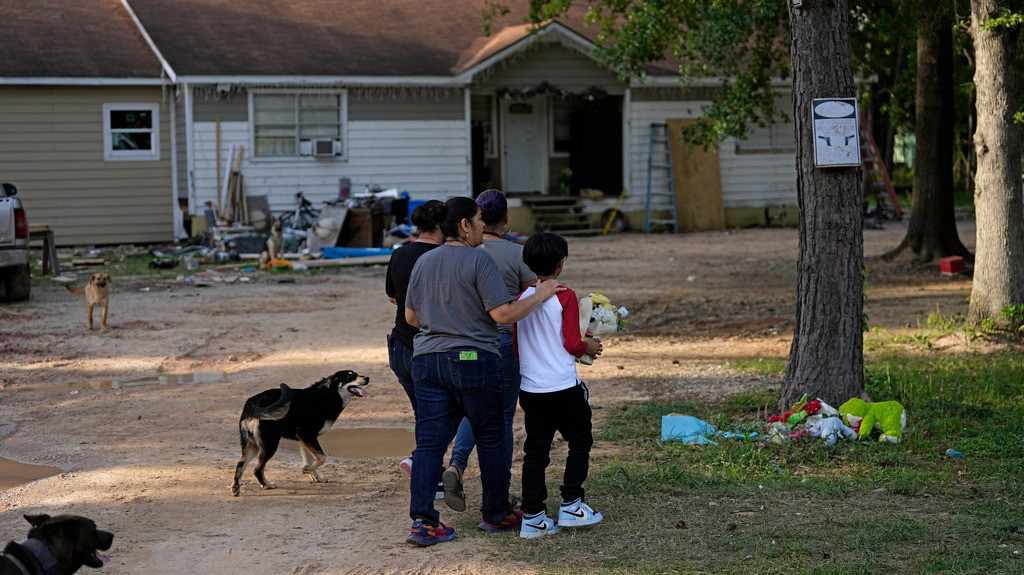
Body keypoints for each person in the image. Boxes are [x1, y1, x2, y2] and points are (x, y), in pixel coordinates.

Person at [403, 197, 563, 546]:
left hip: (427, 361)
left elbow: (411, 319)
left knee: (429, 445)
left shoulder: (423, 260)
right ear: (464, 225)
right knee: (491, 436)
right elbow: (503, 315)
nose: (482, 226)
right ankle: (496, 513)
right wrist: (541, 293)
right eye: (478, 220)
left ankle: (424, 523)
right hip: (473, 360)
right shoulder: (479, 258)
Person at [441, 189, 536, 513]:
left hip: (465, 345)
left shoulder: (461, 254)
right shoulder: (517, 254)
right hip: (503, 345)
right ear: (506, 220)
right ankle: (501, 493)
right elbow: (532, 300)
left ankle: (456, 464)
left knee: (472, 410)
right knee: (503, 419)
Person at [514, 232, 604, 539]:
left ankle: (533, 517)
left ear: (527, 263)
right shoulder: (564, 296)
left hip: (531, 389)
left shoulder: (520, 299)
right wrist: (587, 346)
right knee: (580, 440)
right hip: (563, 387)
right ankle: (571, 505)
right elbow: (571, 342)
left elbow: (515, 347)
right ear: (561, 264)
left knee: (535, 451)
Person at [384, 200, 446, 495]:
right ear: (441, 226)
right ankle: (427, 468)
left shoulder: (399, 253)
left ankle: (426, 463)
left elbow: (393, 297)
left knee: (424, 412)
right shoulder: (442, 256)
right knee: (441, 413)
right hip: (429, 345)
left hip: (399, 345)